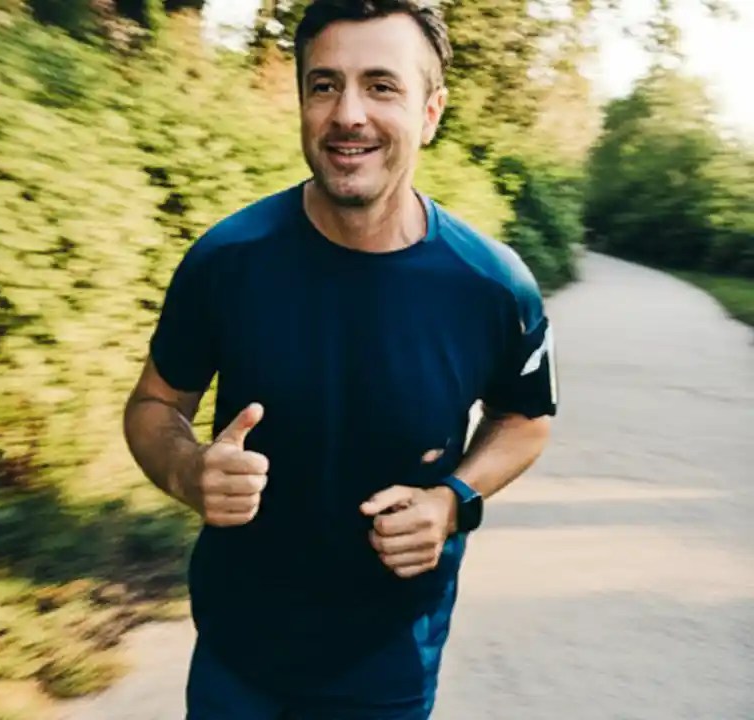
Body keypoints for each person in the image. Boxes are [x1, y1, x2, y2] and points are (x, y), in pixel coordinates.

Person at [121, 0, 559, 718]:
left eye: (382, 86)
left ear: (430, 111)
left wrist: (453, 501)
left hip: (389, 664)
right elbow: (154, 405)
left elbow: (525, 419)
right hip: (238, 658)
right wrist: (188, 470)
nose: (347, 113)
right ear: (301, 103)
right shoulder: (227, 260)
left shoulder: (493, 284)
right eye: (324, 85)